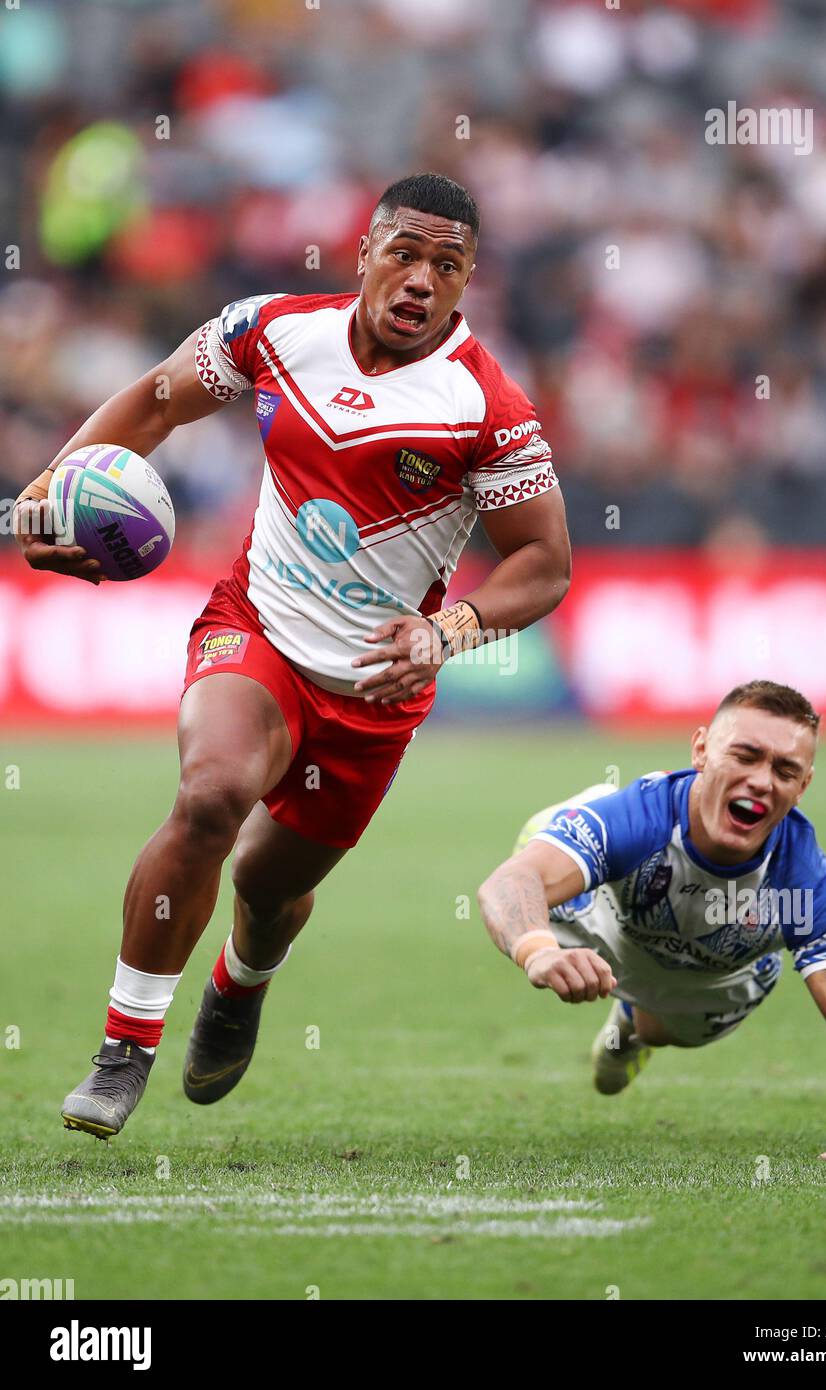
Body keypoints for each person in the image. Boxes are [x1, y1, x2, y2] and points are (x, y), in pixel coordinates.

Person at [14, 172, 571, 1139]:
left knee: (270, 892)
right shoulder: (268, 331)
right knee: (210, 796)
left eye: (449, 265)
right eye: (404, 252)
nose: (421, 281)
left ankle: (242, 980)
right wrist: (49, 487)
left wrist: (449, 632)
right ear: (363, 251)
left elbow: (546, 563)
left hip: (375, 689)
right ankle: (124, 1046)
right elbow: (154, 402)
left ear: (469, 280)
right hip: (257, 626)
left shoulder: (487, 406)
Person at [477, 681, 826, 1163]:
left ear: (803, 785)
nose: (763, 781)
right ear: (701, 750)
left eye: (784, 770)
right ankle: (598, 959)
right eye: (746, 756)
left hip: (708, 969)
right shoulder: (642, 816)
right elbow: (507, 884)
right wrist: (537, 951)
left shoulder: (800, 878)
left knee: (680, 1029)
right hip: (594, 917)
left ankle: (634, 1027)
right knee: (540, 845)